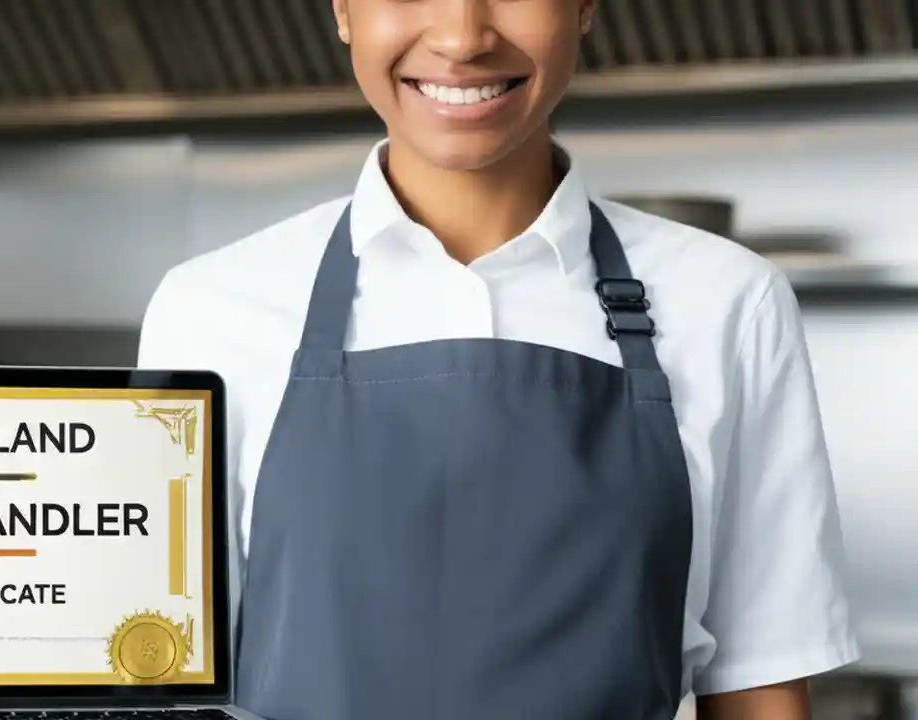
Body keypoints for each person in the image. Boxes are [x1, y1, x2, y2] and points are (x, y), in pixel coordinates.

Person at [137, 1, 858, 717]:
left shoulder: (730, 302)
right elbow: (161, 686)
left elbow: (759, 683)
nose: (461, 37)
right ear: (343, 9)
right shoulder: (208, 310)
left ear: (585, 8)